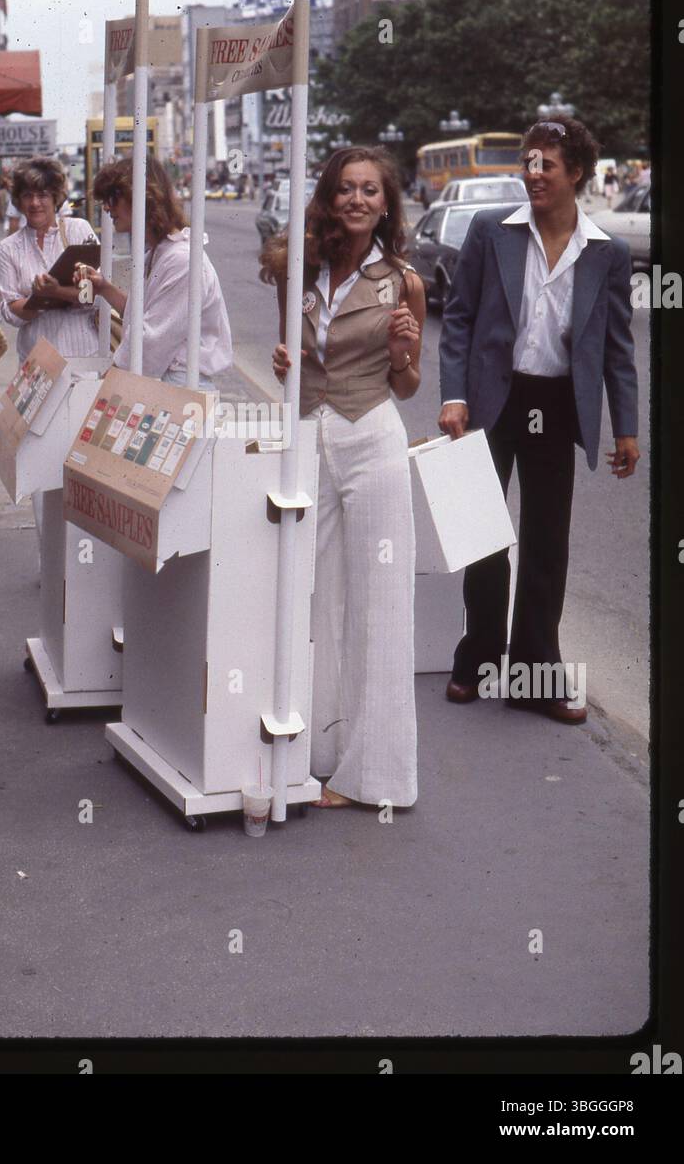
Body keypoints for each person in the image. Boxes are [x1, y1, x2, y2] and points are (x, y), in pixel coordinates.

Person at [438, 116, 639, 724]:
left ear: (575, 173)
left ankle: (535, 675)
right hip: (490, 400)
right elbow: (459, 319)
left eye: (545, 165)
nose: (533, 175)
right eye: (527, 162)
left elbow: (617, 349)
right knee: (483, 536)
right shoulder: (489, 231)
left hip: (555, 405)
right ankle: (477, 660)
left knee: (549, 543)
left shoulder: (607, 252)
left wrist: (625, 427)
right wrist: (453, 395)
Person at [260, 147, 425, 810]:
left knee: (378, 604)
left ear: (386, 204)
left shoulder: (403, 281)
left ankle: (374, 776)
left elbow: (407, 385)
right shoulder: (297, 269)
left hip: (371, 440)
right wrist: (281, 361)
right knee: (306, 599)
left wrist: (405, 355)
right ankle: (314, 754)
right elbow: (287, 364)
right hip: (306, 437)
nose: (356, 200)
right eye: (345, 190)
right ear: (329, 199)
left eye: (369, 191)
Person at [83, 156, 233, 387]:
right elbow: (144, 315)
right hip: (170, 380)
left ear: (140, 198)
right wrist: (104, 288)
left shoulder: (181, 260)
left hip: (182, 385)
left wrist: (108, 381)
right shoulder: (160, 252)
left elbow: (151, 339)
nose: (106, 207)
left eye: (113, 198)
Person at [0, 155, 101, 363]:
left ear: (56, 197)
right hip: (35, 362)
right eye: (27, 195)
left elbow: (95, 294)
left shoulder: (78, 230)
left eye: (42, 195)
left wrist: (51, 293)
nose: (35, 203)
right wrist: (61, 297)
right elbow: (10, 311)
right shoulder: (7, 248)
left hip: (83, 356)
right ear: (18, 200)